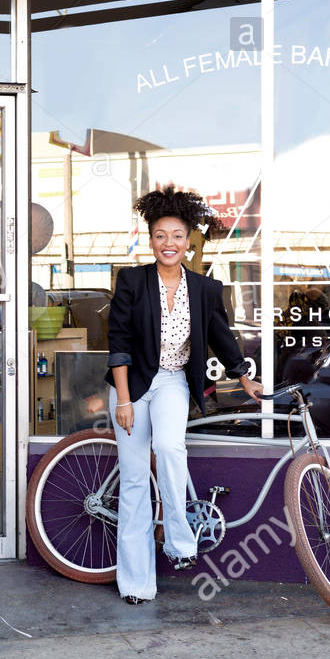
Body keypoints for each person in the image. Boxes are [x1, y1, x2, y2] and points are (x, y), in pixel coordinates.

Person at [104, 185, 264, 604]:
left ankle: (178, 541)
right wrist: (123, 400)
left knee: (171, 448)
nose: (168, 243)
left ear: (188, 240)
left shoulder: (204, 289)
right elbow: (118, 342)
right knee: (136, 481)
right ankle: (137, 584)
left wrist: (244, 376)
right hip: (133, 384)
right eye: (160, 235)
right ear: (150, 239)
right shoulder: (132, 281)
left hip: (173, 380)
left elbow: (222, 337)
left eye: (177, 235)